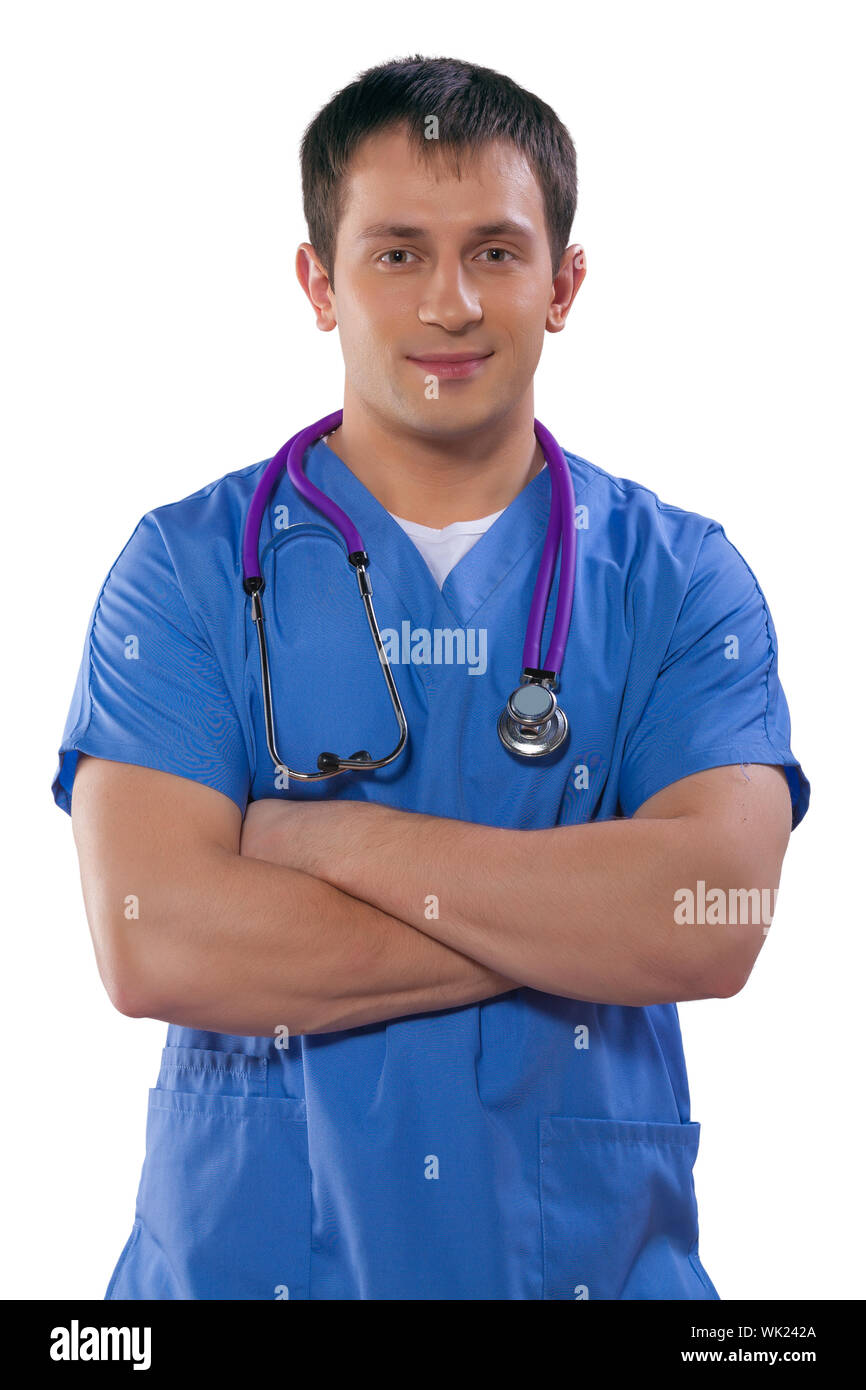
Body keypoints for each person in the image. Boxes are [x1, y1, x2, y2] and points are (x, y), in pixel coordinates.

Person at [52, 55, 810, 1301]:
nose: (448, 303)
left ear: (564, 283)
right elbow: (154, 940)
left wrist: (320, 839)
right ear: (318, 281)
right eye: (396, 251)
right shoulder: (185, 573)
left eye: (496, 253)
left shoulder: (677, 580)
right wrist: (578, 919)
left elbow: (709, 918)